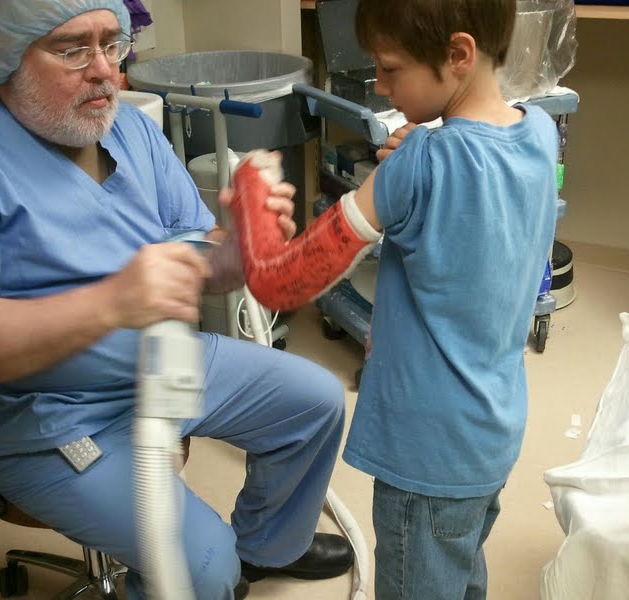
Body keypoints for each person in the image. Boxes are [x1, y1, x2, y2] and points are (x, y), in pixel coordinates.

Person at [0, 1, 354, 599]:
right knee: (200, 569)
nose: (104, 71)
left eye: (112, 43)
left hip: (158, 362)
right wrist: (112, 302)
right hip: (45, 413)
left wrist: (242, 250)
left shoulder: (128, 129)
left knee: (316, 403)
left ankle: (266, 548)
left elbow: (198, 259)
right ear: (6, 52)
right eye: (72, 49)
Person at [228, 0, 559, 598]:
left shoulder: (422, 165)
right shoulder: (537, 131)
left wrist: (252, 195)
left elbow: (282, 282)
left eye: (390, 68)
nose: (379, 85)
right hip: (490, 430)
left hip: (424, 453)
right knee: (460, 572)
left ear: (458, 54)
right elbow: (468, 178)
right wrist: (423, 153)